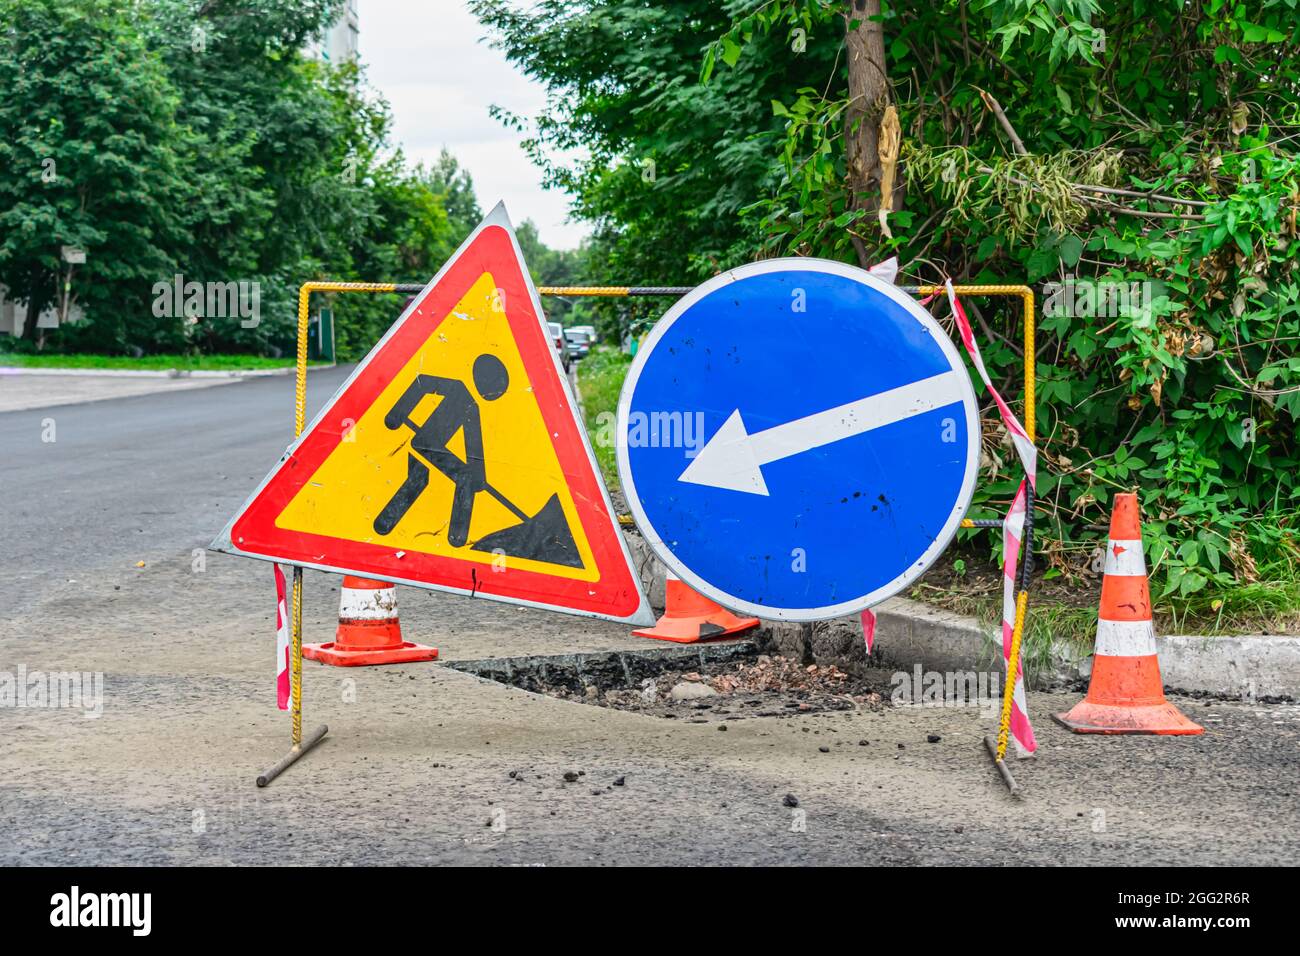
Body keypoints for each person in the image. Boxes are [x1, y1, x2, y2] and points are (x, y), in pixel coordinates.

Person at [373, 354, 510, 544]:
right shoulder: (458, 390)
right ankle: (457, 536)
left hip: (429, 446)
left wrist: (480, 476)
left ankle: (383, 523)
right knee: (465, 479)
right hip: (427, 444)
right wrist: (395, 415)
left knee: (418, 479)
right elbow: (422, 384)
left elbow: (473, 446)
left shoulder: (471, 405)